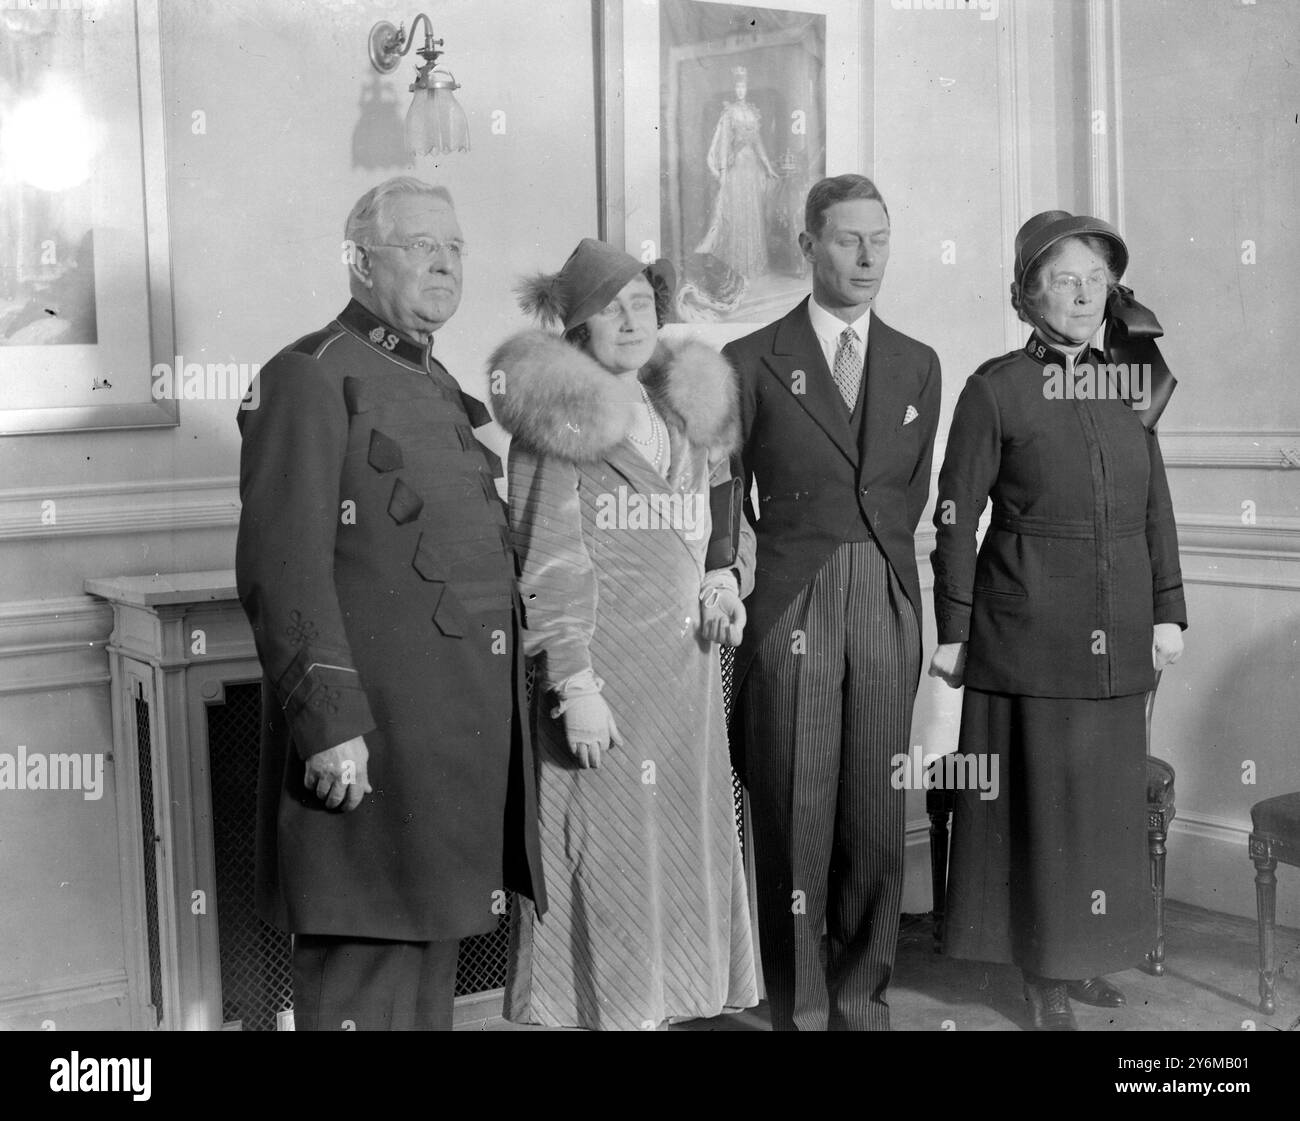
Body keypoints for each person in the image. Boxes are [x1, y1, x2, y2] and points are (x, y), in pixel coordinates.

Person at [235, 176, 545, 1031]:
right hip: (366, 754)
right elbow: (282, 568)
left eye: (454, 248)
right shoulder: (307, 374)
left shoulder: (435, 380)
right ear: (360, 261)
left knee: (421, 1002)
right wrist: (330, 727)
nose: (444, 264)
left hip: (446, 762)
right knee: (364, 998)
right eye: (419, 247)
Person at [489, 238, 758, 1029]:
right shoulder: (553, 420)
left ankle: (662, 1014)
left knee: (676, 865)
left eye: (642, 301)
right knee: (609, 870)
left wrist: (725, 579)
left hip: (686, 683)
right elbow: (548, 561)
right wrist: (574, 686)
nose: (631, 318)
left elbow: (722, 521)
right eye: (610, 308)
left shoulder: (682, 405)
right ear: (575, 328)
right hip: (608, 687)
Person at [928, 210, 1187, 1030]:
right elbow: (953, 514)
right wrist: (955, 628)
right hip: (1027, 631)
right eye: (1064, 280)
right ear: (1026, 294)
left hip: (1120, 630)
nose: (1082, 296)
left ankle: (1084, 954)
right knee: (1040, 808)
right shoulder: (994, 388)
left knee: (1102, 802)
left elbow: (1156, 509)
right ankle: (1040, 971)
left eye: (1095, 281)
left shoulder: (1124, 385)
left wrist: (1170, 611)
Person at [723, 174, 942, 1030]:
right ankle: (798, 1009)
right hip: (792, 599)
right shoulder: (749, 360)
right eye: (848, 239)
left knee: (877, 821)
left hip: (887, 594)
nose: (866, 256)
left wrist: (888, 577)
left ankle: (863, 1005)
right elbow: (724, 491)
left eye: (880, 238)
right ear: (808, 244)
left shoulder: (918, 360)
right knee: (794, 815)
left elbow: (910, 493)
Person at [695, 65, 778, 280]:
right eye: (738, 87)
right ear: (734, 89)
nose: (741, 90)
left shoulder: (752, 111)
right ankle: (737, 265)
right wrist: (722, 171)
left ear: (747, 88)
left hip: (752, 167)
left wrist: (768, 167)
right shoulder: (729, 112)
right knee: (737, 213)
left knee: (752, 212)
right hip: (737, 167)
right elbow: (723, 144)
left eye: (744, 86)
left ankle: (754, 265)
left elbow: (758, 142)